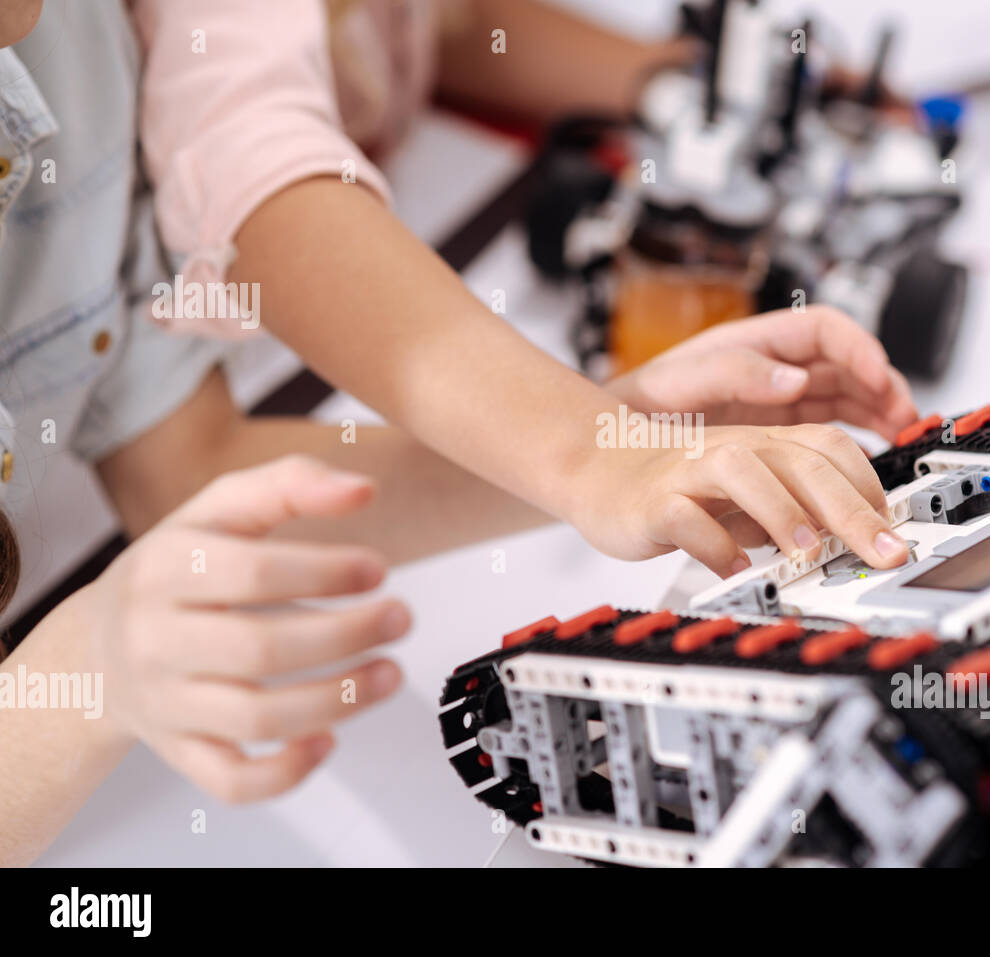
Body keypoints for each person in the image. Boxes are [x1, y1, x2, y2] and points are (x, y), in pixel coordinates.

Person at [0, 0, 918, 864]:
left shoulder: (72, 45)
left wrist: (613, 439)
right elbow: (255, 166)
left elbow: (185, 473)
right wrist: (84, 675)